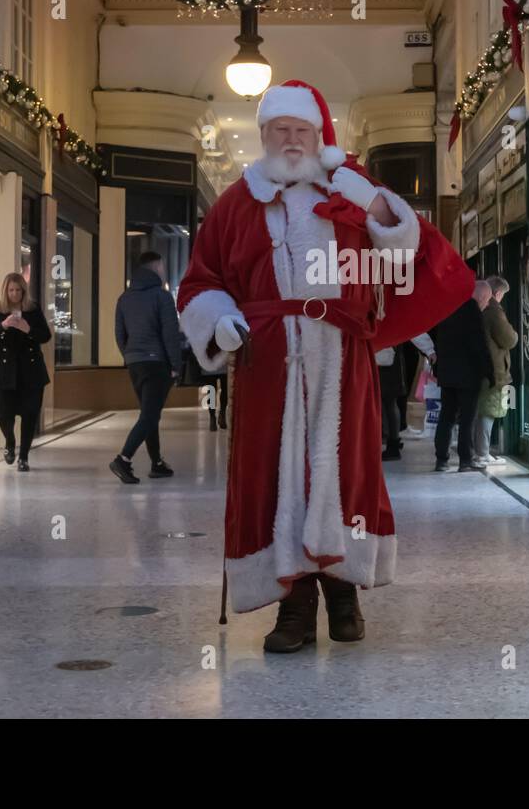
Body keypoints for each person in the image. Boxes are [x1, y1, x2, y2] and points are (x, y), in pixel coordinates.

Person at [178, 79, 473, 654]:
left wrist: (375, 203)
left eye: (301, 131)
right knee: (276, 477)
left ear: (320, 136)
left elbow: (410, 254)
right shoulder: (237, 204)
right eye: (279, 131)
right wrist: (219, 320)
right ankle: (294, 607)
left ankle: (345, 594)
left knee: (346, 474)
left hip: (343, 360)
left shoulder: (350, 192)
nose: (291, 141)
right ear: (264, 137)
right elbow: (200, 282)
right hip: (268, 363)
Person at [109, 251, 183, 484]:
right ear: (156, 267)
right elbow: (170, 334)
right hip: (157, 362)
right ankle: (123, 459)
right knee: (150, 415)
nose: (163, 270)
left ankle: (157, 463)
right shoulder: (161, 297)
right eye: (161, 266)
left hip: (135, 363)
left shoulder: (124, 298)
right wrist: (175, 365)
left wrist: (130, 355)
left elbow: (120, 335)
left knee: (149, 414)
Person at [0, 272, 51, 472]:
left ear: (23, 291)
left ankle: (24, 457)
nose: (15, 294)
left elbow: (45, 336)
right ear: (6, 290)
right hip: (3, 372)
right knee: (3, 413)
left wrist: (28, 329)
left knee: (30, 415)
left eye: (18, 290)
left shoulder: (33, 309)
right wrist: (3, 325)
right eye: (11, 290)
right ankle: (10, 441)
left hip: (30, 371)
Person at [431, 281, 494, 473]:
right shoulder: (472, 310)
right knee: (467, 418)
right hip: (468, 374)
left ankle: (441, 459)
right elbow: (479, 343)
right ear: (481, 297)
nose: (487, 305)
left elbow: (433, 332)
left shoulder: (447, 306)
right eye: (487, 300)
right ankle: (465, 460)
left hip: (447, 371)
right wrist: (489, 372)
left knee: (446, 416)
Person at [474, 275, 519, 467]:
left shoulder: (476, 308)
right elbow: (508, 339)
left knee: (479, 411)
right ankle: (482, 453)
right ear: (497, 293)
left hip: (479, 368)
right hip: (494, 370)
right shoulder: (493, 311)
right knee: (489, 411)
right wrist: (516, 335)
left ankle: (477, 451)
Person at [375, 333, 434, 461]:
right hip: (388, 357)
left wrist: (429, 350)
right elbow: (413, 329)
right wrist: (429, 350)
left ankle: (391, 444)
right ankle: (392, 442)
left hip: (383, 358)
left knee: (387, 403)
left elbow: (412, 329)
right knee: (389, 403)